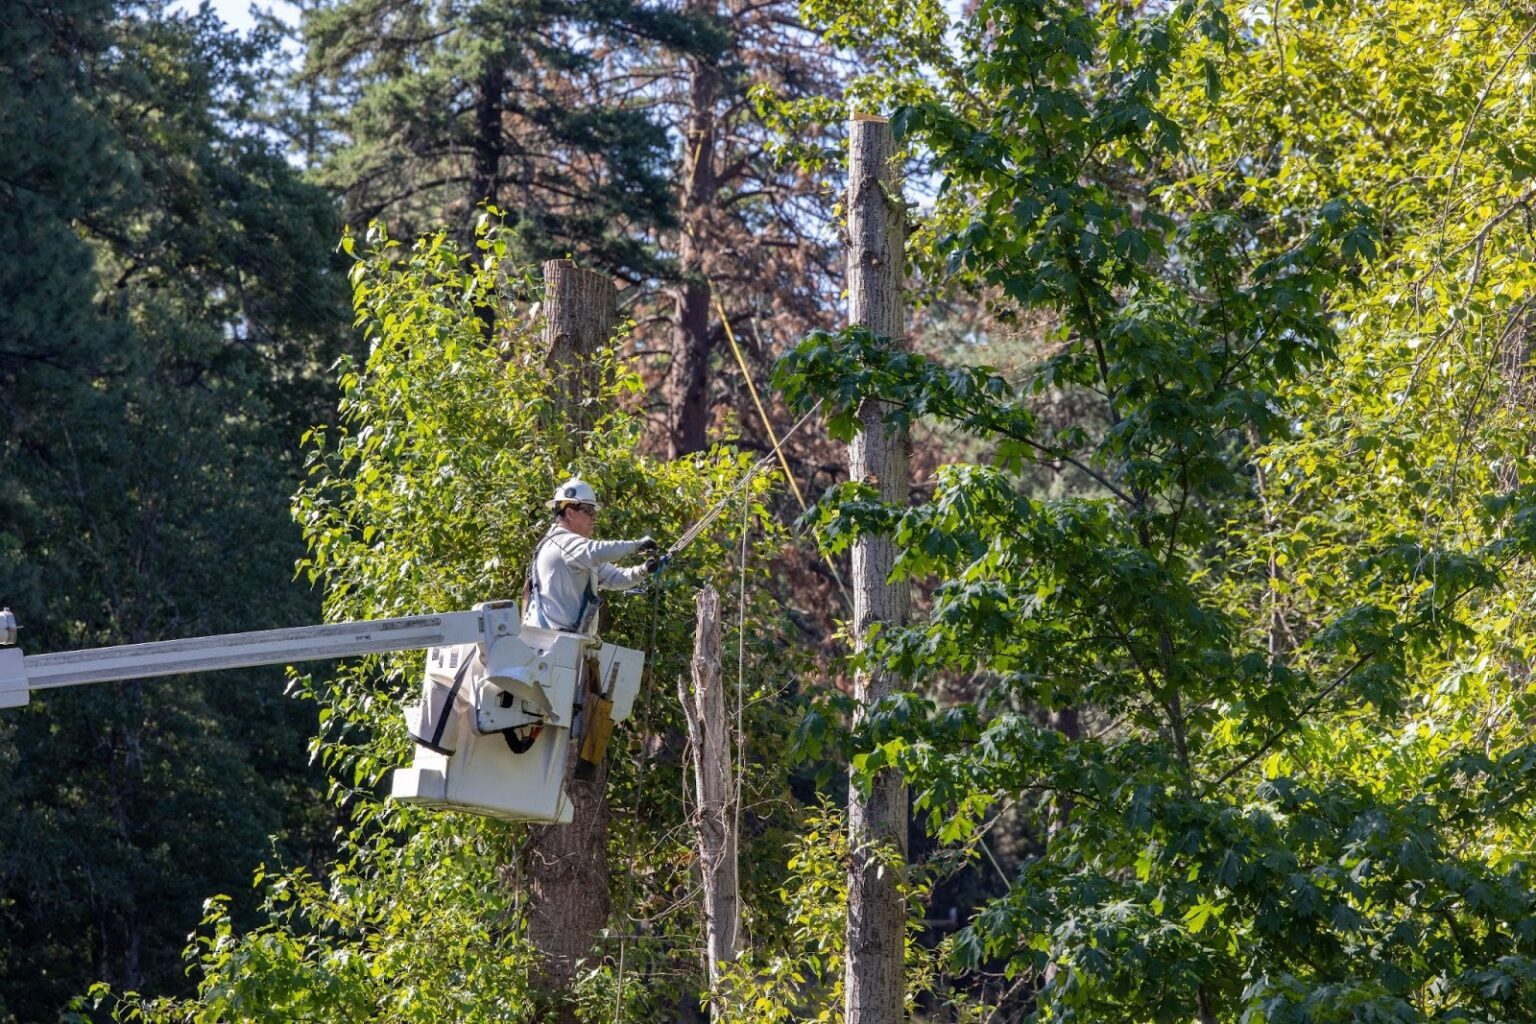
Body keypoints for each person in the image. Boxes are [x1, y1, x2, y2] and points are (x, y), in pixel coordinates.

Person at [522, 478, 659, 635]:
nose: (594, 517)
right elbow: (596, 551)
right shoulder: (563, 542)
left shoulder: (577, 551)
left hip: (561, 642)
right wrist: (636, 545)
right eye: (589, 511)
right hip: (551, 641)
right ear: (570, 513)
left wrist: (643, 570)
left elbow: (614, 578)